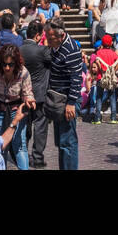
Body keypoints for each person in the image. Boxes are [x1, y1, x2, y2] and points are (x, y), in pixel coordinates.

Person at [0, 42, 35, 168]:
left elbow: (27, 92)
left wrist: (29, 100)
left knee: (19, 144)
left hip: (16, 110)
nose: (7, 68)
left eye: (11, 64)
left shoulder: (23, 73)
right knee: (0, 144)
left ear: (16, 63)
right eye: (4, 64)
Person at [43, 18, 82, 170]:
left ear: (61, 35)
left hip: (67, 100)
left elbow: (76, 79)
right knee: (61, 142)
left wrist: (71, 103)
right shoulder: (57, 46)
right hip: (58, 99)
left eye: (50, 38)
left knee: (68, 142)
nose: (47, 40)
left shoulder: (70, 49)